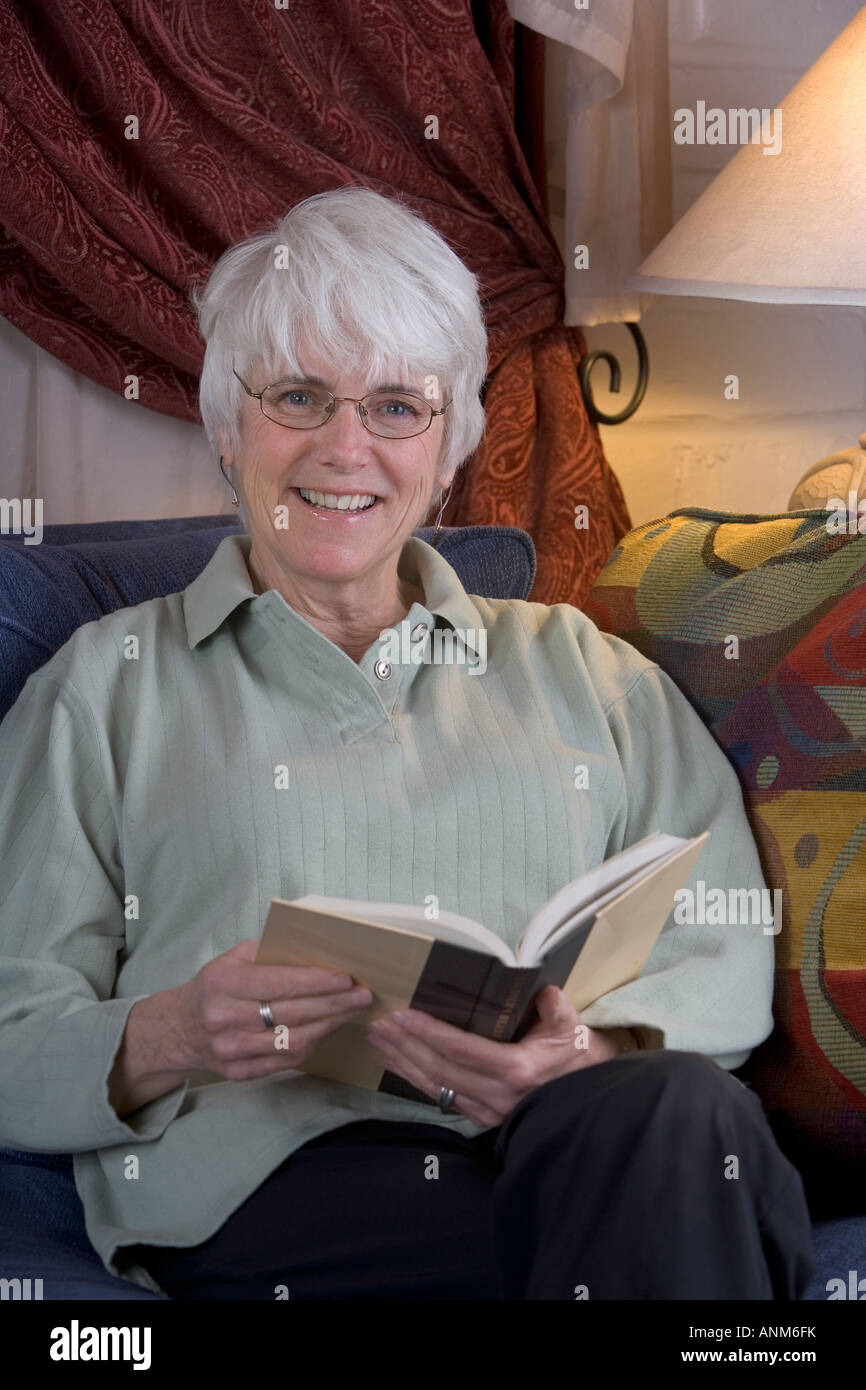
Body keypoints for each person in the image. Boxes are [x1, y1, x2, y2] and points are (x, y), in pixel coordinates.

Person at [0, 187, 814, 1300]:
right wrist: (171, 1032)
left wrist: (579, 1057)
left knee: (677, 1115)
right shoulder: (102, 690)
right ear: (227, 431)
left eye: (395, 407)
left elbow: (719, 944)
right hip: (277, 1177)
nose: (346, 448)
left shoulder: (583, 666)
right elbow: (9, 1031)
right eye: (298, 396)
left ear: (446, 453)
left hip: (579, 1138)